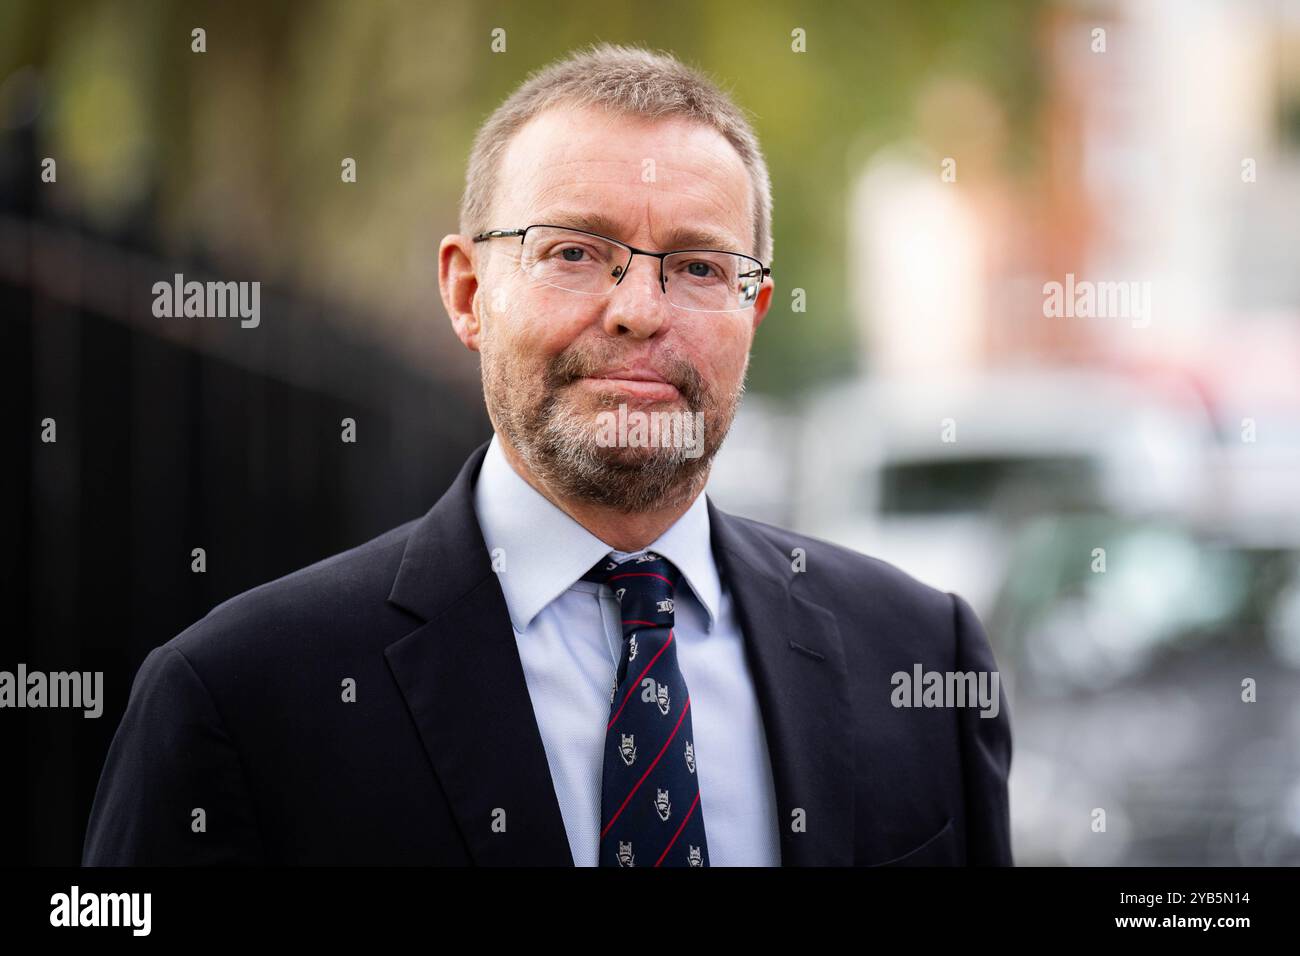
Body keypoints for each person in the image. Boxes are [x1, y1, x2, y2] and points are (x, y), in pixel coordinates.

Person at [83, 42, 1011, 867]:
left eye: (698, 267)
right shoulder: (241, 700)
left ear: (753, 312)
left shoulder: (924, 657)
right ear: (467, 291)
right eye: (573, 251)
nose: (641, 310)